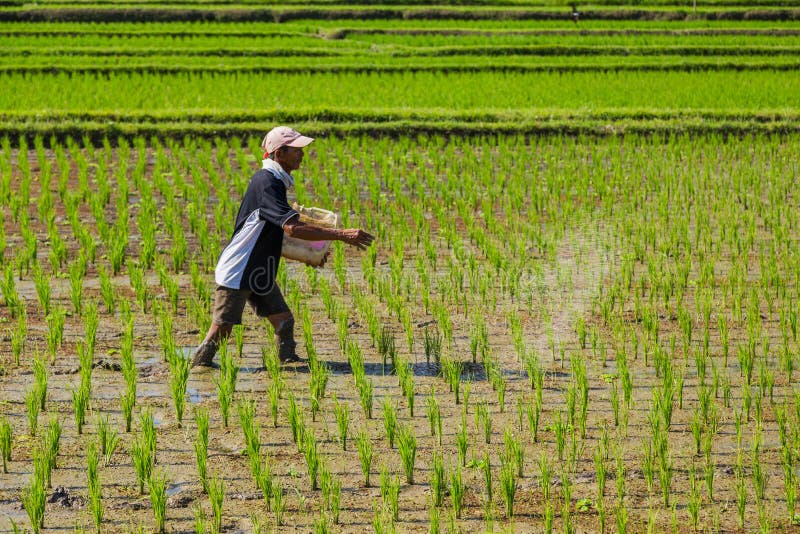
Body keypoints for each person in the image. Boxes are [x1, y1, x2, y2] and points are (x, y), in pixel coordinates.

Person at [191, 126, 374, 368]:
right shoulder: (266, 182)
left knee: (284, 322)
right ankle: (196, 370)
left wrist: (312, 252)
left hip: (259, 270)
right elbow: (292, 228)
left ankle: (288, 365)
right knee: (222, 329)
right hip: (239, 270)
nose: (302, 154)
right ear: (279, 153)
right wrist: (341, 234)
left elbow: (280, 233)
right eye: (297, 150)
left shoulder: (275, 181)